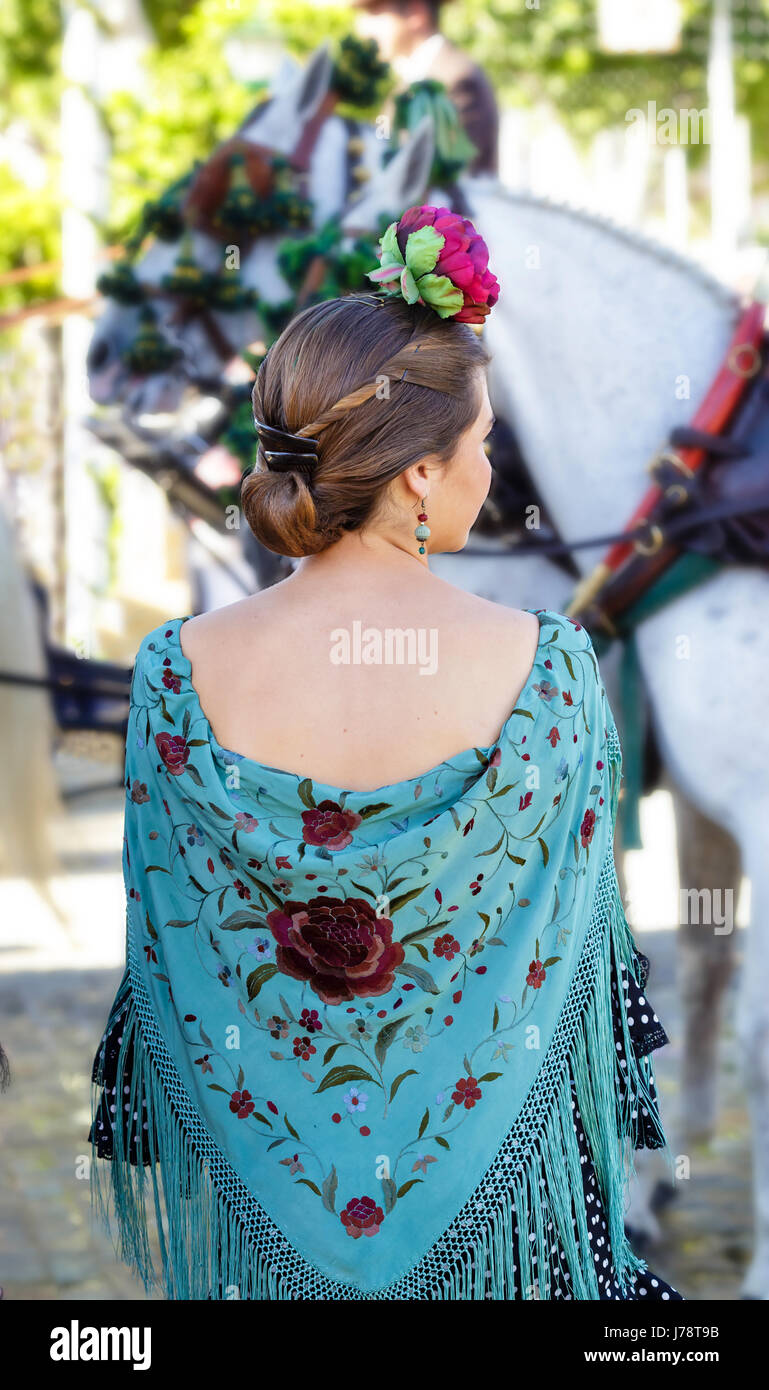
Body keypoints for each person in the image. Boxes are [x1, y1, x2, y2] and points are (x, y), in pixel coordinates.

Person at [89, 205, 681, 1300]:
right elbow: (578, 997)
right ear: (417, 470)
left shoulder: (175, 674)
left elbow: (178, 982)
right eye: (484, 440)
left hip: (264, 1265)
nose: (490, 467)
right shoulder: (548, 674)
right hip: (512, 1260)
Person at [353, 0, 499, 174]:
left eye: (374, 14)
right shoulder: (408, 83)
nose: (362, 30)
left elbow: (451, 179)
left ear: (416, 13)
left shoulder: (458, 79)